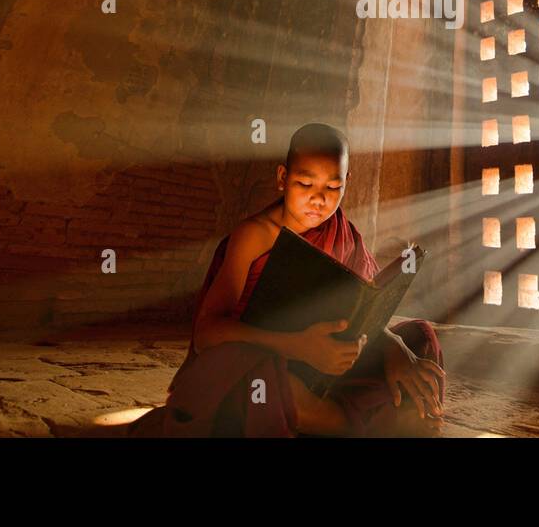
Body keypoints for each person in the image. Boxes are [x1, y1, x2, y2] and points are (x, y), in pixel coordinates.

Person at [129, 123, 446, 437]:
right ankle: (359, 423)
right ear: (282, 178)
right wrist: (297, 347)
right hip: (260, 357)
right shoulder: (255, 236)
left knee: (419, 337)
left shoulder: (343, 234)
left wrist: (394, 347)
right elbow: (206, 333)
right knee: (264, 381)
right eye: (305, 184)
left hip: (322, 364)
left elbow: (364, 311)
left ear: (347, 181)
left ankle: (365, 416)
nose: (318, 199)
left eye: (332, 187)